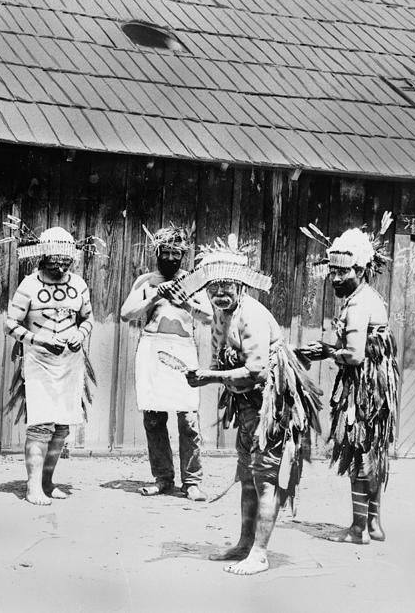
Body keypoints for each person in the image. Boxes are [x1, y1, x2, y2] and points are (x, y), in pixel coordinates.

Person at [179, 235, 322, 575]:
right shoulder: (220, 314)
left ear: (241, 284)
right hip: (246, 406)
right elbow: (223, 362)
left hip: (271, 404)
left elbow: (256, 370)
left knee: (266, 479)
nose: (219, 294)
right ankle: (244, 543)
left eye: (226, 286)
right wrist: (212, 375)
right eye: (213, 287)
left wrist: (210, 377)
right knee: (247, 476)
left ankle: (259, 552)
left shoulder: (252, 315)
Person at [300, 216, 399, 544]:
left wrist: (327, 351)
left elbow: (355, 355)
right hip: (378, 389)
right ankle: (374, 524)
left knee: (359, 452)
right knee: (373, 452)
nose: (335, 277)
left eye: (343, 272)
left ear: (360, 270)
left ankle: (357, 530)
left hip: (362, 391)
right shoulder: (372, 297)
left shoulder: (357, 305)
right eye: (333, 270)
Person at [3, 225, 95, 506]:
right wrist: (38, 340)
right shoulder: (29, 285)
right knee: (41, 426)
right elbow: (10, 324)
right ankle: (33, 487)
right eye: (55, 260)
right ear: (43, 256)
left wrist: (80, 334)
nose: (61, 265)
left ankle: (47, 481)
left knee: (62, 427)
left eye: (66, 260)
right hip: (39, 362)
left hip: (70, 362)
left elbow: (88, 319)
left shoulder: (78, 284)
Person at [120, 225, 212, 502]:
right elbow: (126, 314)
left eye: (176, 254)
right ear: (157, 252)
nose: (171, 259)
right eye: (166, 253)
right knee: (154, 418)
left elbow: (207, 317)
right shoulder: (146, 281)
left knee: (188, 418)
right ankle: (163, 478)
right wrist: (156, 295)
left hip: (183, 348)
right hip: (152, 348)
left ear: (183, 255)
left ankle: (192, 481)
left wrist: (185, 303)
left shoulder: (193, 280)